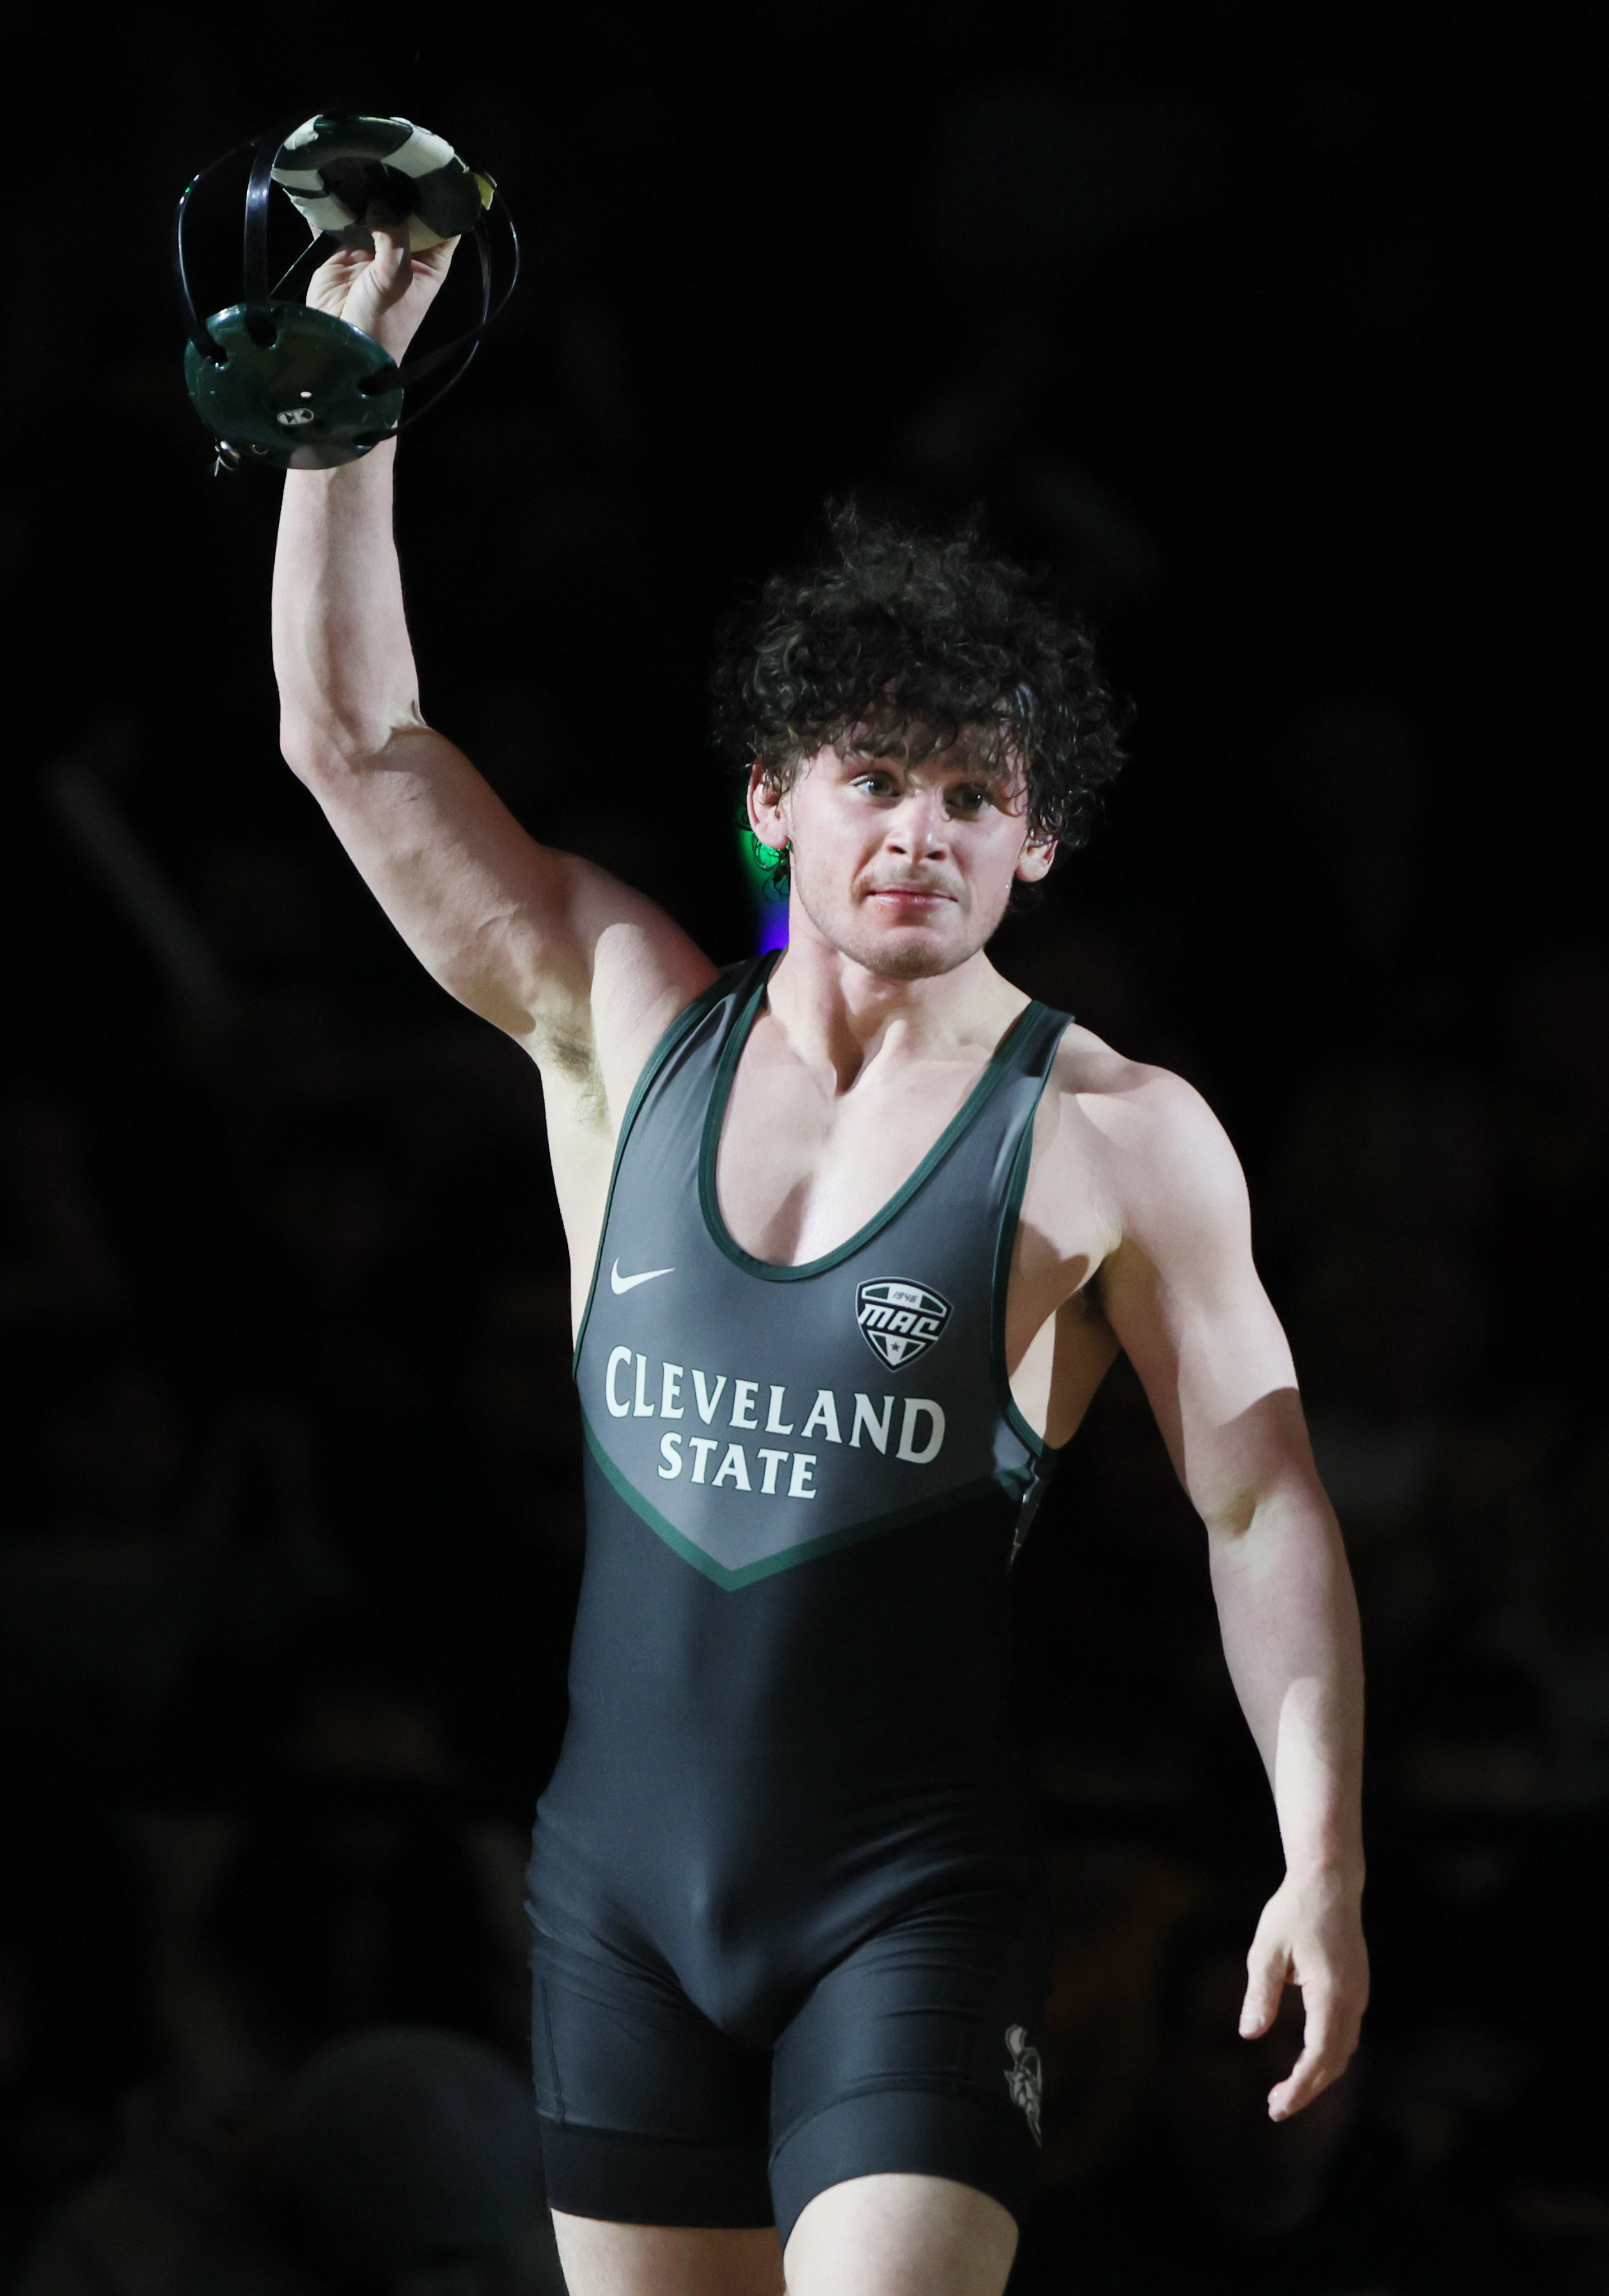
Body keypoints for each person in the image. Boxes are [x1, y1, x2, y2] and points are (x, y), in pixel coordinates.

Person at [270, 212, 1368, 2296]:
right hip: (614, 1910)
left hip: (907, 1914)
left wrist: (1321, 1854)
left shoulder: (1112, 1136)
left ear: (1038, 835)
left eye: (972, 794)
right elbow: (357, 746)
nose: (920, 832)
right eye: (874, 781)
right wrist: (344, 416)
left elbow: (1258, 1500)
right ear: (774, 800)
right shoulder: (619, 1026)